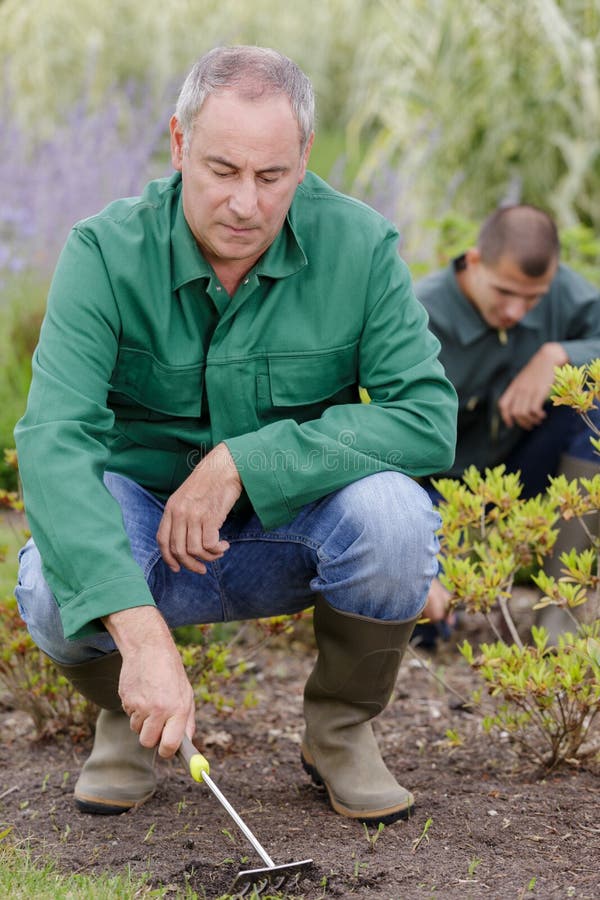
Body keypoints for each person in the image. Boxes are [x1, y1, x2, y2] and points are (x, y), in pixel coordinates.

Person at [14, 46, 457, 826]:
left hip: (292, 533)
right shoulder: (103, 253)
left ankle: (340, 732)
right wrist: (141, 634)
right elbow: (54, 445)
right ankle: (129, 713)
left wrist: (245, 463)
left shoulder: (362, 246)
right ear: (180, 144)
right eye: (222, 170)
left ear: (304, 158)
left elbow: (425, 415)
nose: (246, 205)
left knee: (395, 517)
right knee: (51, 585)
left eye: (272, 176)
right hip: (142, 540)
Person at [415, 204, 600, 641]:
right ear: (474, 260)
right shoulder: (418, 312)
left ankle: (559, 617)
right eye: (504, 292)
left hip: (521, 471)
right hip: (433, 493)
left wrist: (561, 355)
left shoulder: (561, 291)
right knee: (423, 627)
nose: (518, 311)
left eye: (533, 298)